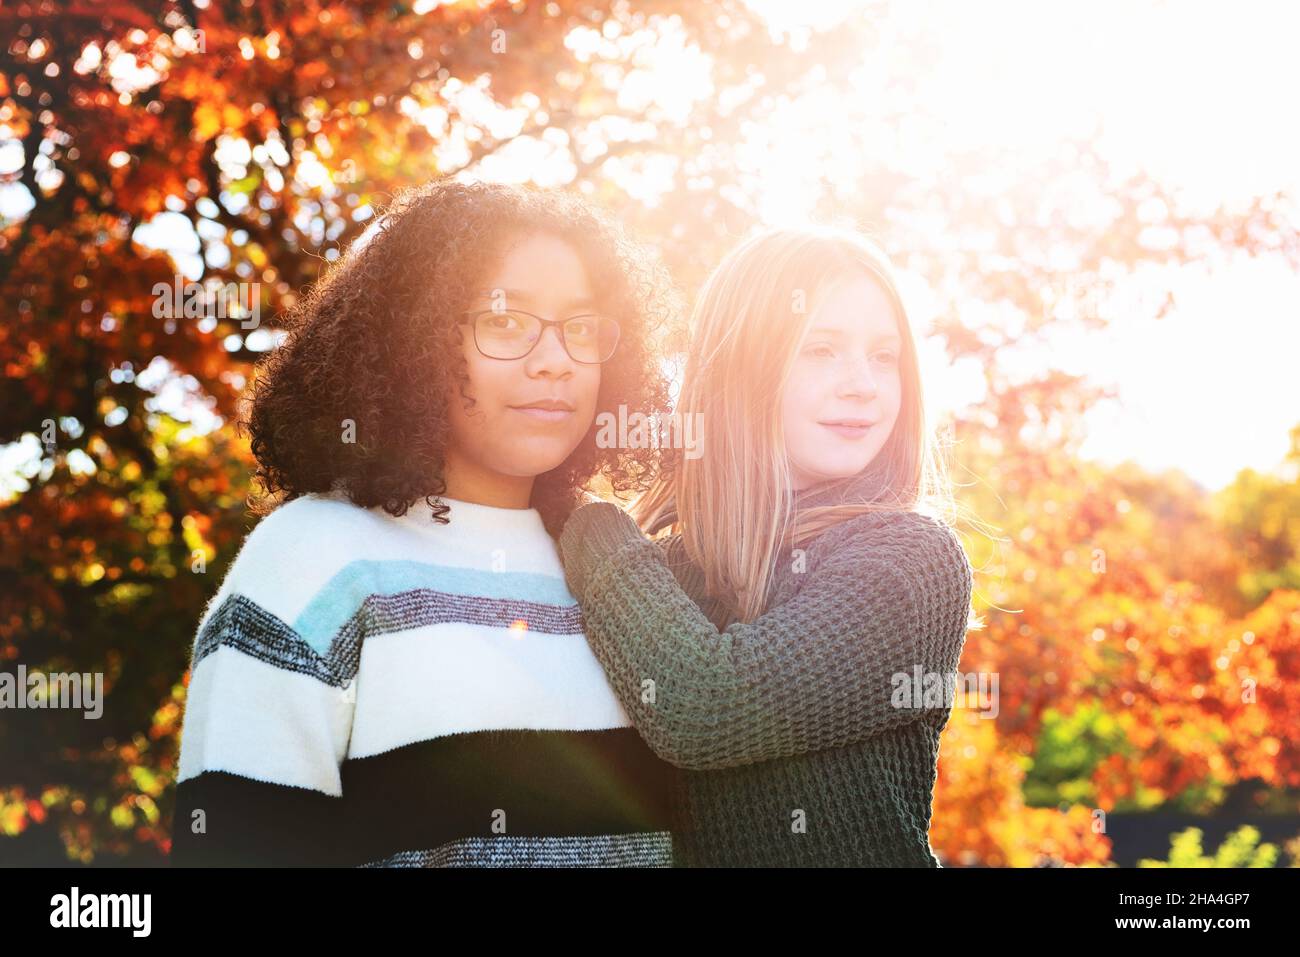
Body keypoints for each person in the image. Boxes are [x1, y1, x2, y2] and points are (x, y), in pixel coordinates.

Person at [171, 179, 681, 867]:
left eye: (582, 328)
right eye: (505, 321)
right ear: (415, 338)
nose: (555, 359)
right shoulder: (313, 559)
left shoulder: (616, 567)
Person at [558, 225, 978, 866]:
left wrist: (585, 520)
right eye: (822, 350)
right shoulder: (665, 570)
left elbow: (703, 705)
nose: (863, 384)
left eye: (885, 357)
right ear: (740, 367)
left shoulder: (910, 561)